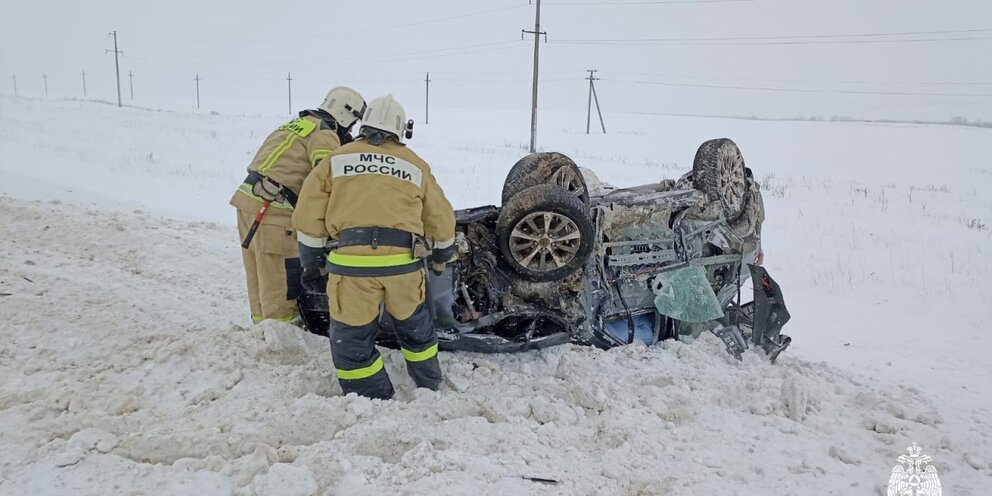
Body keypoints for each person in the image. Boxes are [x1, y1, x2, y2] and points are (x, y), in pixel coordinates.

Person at [292, 94, 456, 400]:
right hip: (403, 269)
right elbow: (441, 219)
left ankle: (373, 397)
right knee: (417, 331)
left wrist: (312, 262)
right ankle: (429, 384)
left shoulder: (335, 159)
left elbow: (307, 213)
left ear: (364, 124)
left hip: (351, 270)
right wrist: (441, 258)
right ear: (401, 128)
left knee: (351, 341)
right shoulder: (415, 164)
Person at [230, 87, 366, 324]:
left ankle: (262, 330)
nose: (350, 131)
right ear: (345, 114)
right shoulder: (325, 133)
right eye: (352, 124)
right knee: (282, 285)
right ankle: (283, 341)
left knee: (259, 279)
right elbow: (328, 178)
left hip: (248, 205)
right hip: (274, 214)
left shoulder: (296, 124)